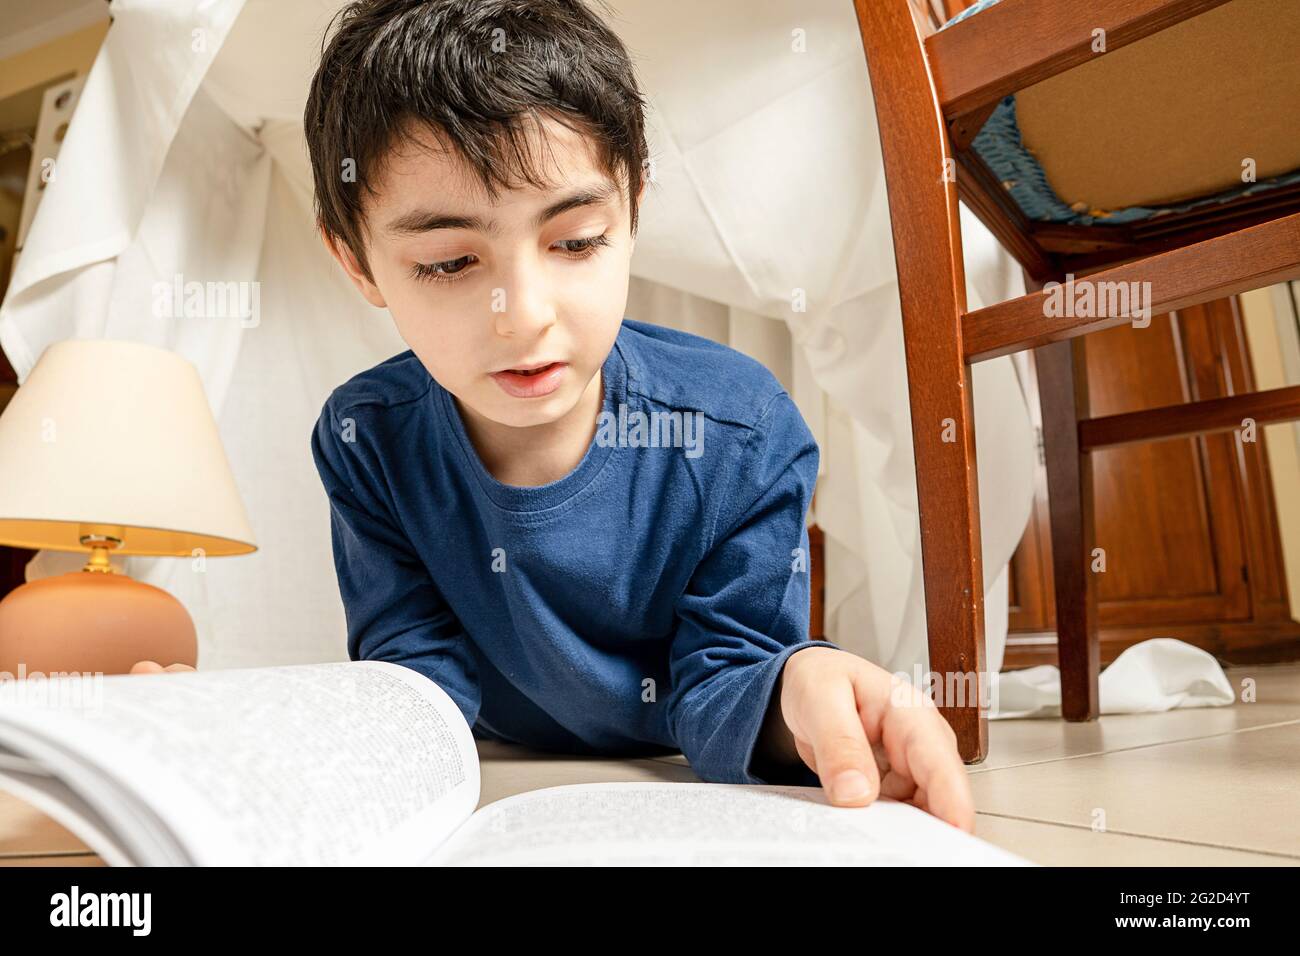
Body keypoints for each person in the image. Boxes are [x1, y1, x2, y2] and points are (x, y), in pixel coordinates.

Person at [137, 0, 974, 832]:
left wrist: (800, 688)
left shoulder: (744, 429)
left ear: (634, 210)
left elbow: (725, 677)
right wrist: (245, 717)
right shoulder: (367, 437)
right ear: (355, 261)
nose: (522, 314)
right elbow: (414, 673)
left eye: (574, 243)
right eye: (449, 262)